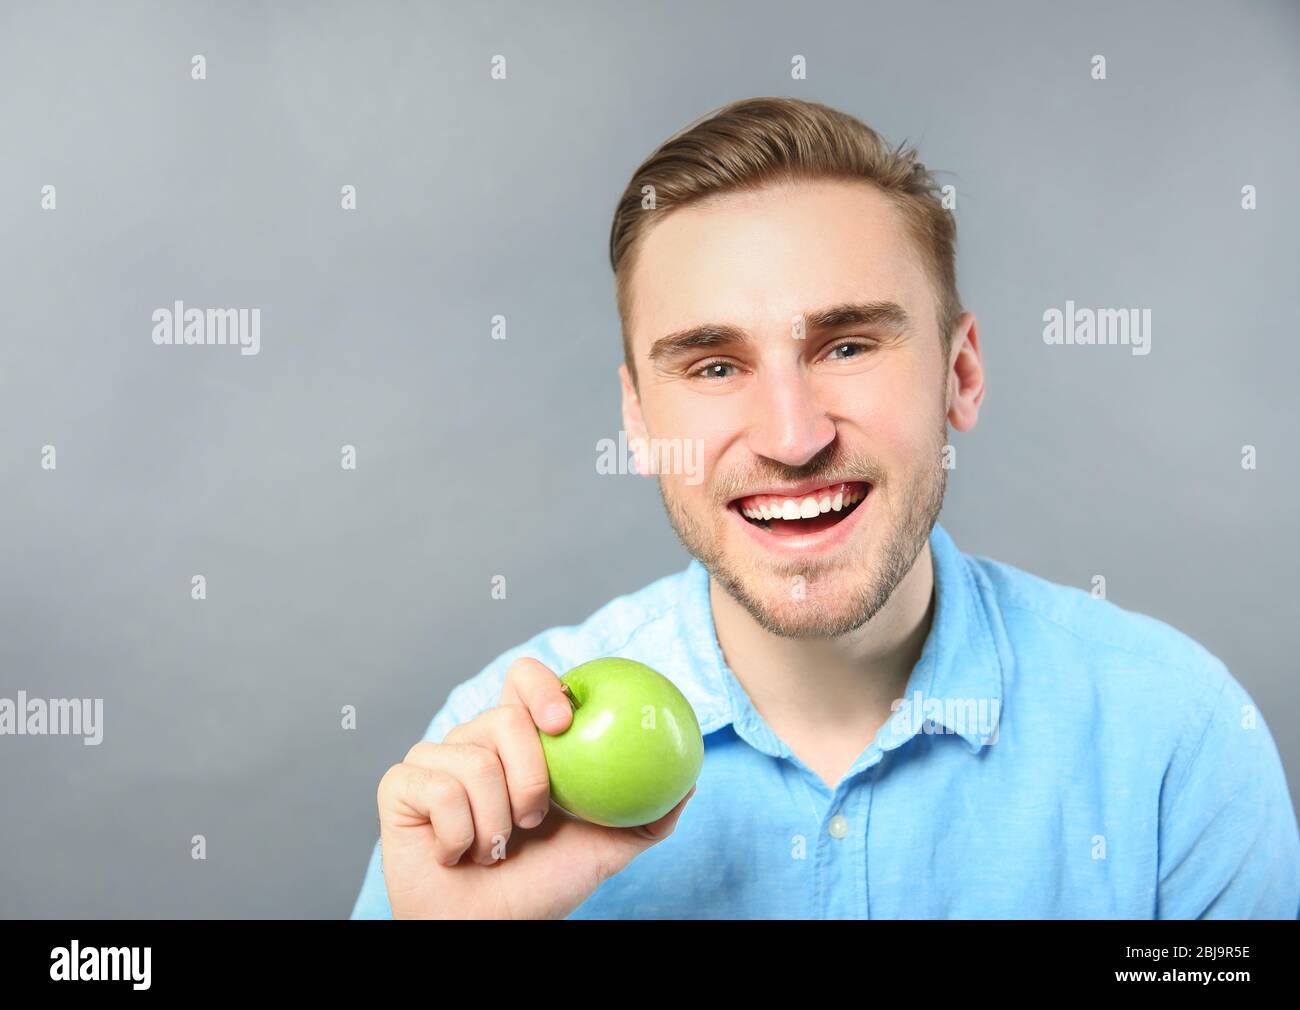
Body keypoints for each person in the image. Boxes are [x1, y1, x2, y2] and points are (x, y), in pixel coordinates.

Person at [351, 97, 1299, 919]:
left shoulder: (1179, 740)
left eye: (847, 346)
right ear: (638, 420)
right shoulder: (495, 772)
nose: (793, 437)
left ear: (959, 375)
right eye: (715, 366)